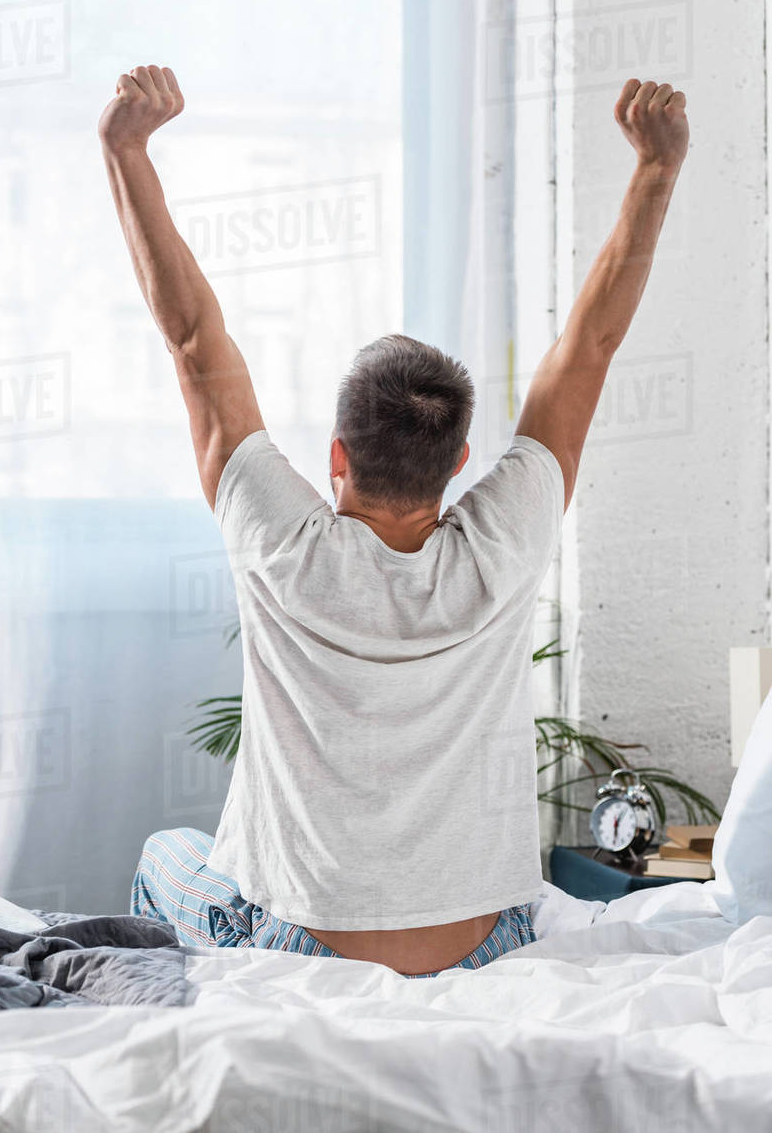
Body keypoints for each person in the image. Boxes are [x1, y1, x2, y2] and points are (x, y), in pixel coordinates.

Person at [99, 66, 689, 977]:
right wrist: (655, 169)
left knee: (163, 857)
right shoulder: (505, 542)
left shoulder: (283, 543)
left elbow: (191, 340)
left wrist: (126, 148)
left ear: (336, 455)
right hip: (486, 946)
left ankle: (204, 1004)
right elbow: (590, 346)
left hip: (302, 944)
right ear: (459, 463)